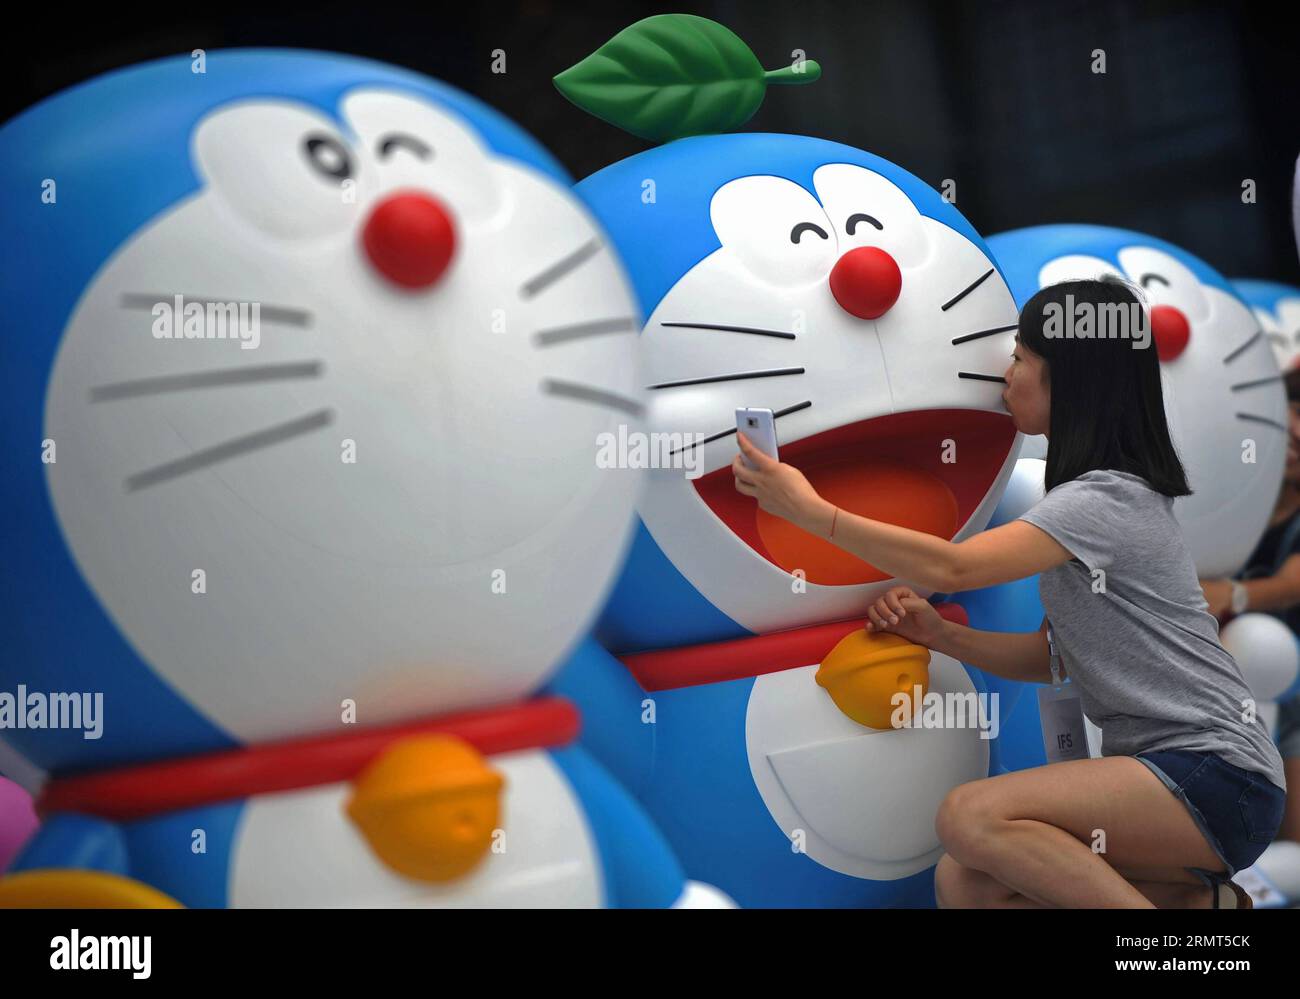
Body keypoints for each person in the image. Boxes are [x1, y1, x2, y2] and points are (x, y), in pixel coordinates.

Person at [732, 278, 1287, 908]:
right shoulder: (1098, 499)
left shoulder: (1103, 498)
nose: (1007, 370)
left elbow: (953, 570)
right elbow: (1052, 659)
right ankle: (1205, 911)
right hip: (1187, 784)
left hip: (1216, 773)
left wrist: (809, 511)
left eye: (1022, 357)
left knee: (968, 817)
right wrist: (939, 636)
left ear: (1067, 381)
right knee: (968, 885)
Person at [1200, 370, 1300, 843]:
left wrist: (1235, 595)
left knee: (1287, 838)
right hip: (1203, 678)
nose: (1297, 430)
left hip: (1287, 689)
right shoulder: (1224, 485)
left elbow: (1290, 584)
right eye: (1296, 411)